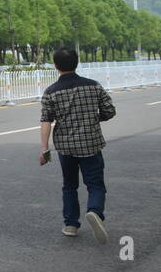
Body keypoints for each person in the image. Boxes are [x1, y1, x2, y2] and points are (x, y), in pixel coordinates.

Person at [39, 47, 116, 243]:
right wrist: (94, 117)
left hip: (65, 147)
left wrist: (44, 148)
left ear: (56, 66)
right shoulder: (93, 86)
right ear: (77, 62)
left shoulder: (51, 92)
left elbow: (46, 120)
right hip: (90, 144)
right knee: (95, 184)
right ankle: (95, 212)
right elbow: (109, 111)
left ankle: (71, 224)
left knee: (69, 186)